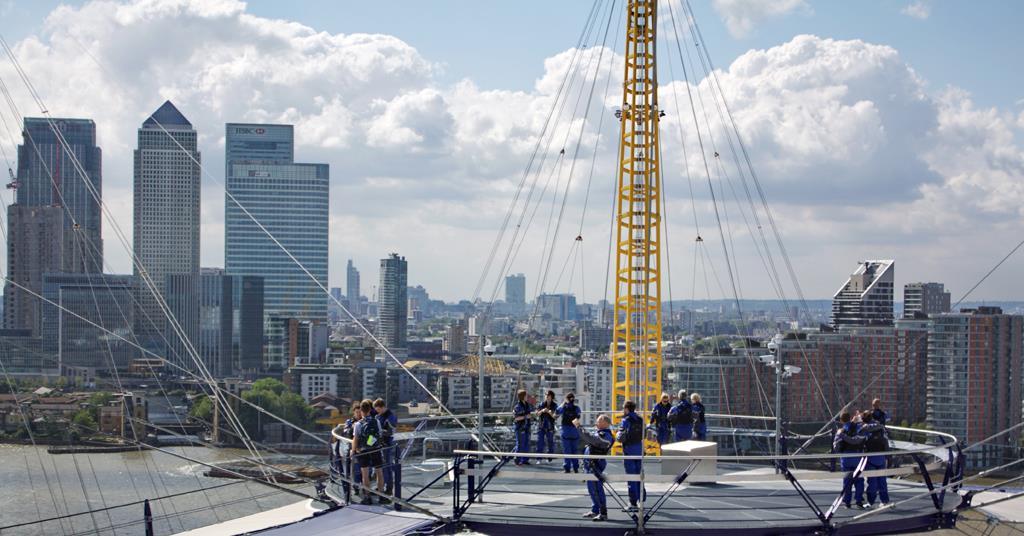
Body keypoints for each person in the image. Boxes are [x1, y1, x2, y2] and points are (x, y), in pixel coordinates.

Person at [574, 414, 614, 522]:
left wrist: (579, 427)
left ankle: (603, 513)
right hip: (590, 463)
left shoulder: (606, 435)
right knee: (591, 488)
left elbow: (591, 439)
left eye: (598, 421)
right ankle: (595, 510)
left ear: (604, 423)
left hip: (596, 463)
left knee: (597, 488)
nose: (596, 423)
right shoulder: (600, 433)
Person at [352, 399, 384, 505]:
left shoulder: (358, 424)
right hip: (376, 449)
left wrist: (353, 451)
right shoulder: (376, 421)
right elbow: (380, 435)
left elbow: (355, 439)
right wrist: (372, 442)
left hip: (363, 451)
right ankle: (381, 496)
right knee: (379, 473)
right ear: (370, 410)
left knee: (365, 475)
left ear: (361, 410)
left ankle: (367, 497)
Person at [617, 400, 646, 511]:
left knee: (631, 477)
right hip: (639, 450)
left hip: (629, 451)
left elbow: (620, 437)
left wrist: (618, 435)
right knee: (639, 475)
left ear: (626, 409)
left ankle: (633, 502)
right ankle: (641, 499)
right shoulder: (640, 419)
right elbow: (644, 434)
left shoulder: (626, 420)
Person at [833, 411, 866, 509]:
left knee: (847, 481)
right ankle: (859, 501)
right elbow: (862, 439)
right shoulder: (858, 428)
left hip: (846, 458)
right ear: (850, 417)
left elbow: (836, 447)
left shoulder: (840, 431)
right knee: (859, 480)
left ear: (841, 420)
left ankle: (847, 502)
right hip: (857, 457)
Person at [860, 411, 890, 507]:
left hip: (870, 457)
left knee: (872, 481)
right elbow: (886, 441)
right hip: (881, 456)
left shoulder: (864, 428)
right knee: (882, 480)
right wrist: (888, 455)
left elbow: (859, 440)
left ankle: (870, 502)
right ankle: (884, 501)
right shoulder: (881, 427)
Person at [373, 398, 398, 502]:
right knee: (380, 467)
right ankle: (381, 486)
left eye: (378, 409)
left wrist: (379, 431)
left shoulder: (391, 417)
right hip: (380, 444)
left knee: (387, 467)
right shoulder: (378, 416)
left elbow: (390, 431)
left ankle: (389, 488)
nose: (377, 412)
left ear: (383, 407)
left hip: (387, 445)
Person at [339, 403, 362, 500]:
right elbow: (345, 432)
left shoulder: (364, 421)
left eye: (360, 412)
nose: (358, 414)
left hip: (361, 449)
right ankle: (351, 487)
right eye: (357, 412)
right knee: (350, 469)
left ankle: (359, 485)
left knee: (360, 469)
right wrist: (352, 427)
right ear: (354, 412)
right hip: (351, 448)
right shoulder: (349, 421)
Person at [557, 392, 582, 473]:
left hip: (566, 431)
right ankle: (575, 468)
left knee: (567, 451)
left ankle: (567, 468)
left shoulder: (564, 408)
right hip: (575, 432)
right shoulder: (577, 408)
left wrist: (563, 403)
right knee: (574, 451)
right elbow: (578, 418)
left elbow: (557, 411)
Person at [513, 389, 533, 465]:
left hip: (527, 426)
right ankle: (517, 460)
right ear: (522, 396)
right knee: (520, 444)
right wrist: (525, 417)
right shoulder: (517, 407)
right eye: (526, 395)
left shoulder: (527, 405)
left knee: (527, 443)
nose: (527, 397)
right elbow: (516, 418)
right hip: (520, 427)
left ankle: (525, 459)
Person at [535, 391, 557, 462]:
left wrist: (549, 412)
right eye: (546, 395)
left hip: (550, 427)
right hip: (541, 426)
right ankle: (539, 459)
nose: (547, 396)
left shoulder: (554, 405)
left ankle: (549, 458)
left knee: (550, 443)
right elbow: (537, 414)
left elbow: (555, 416)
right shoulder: (541, 404)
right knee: (539, 443)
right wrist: (542, 411)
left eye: (548, 395)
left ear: (551, 396)